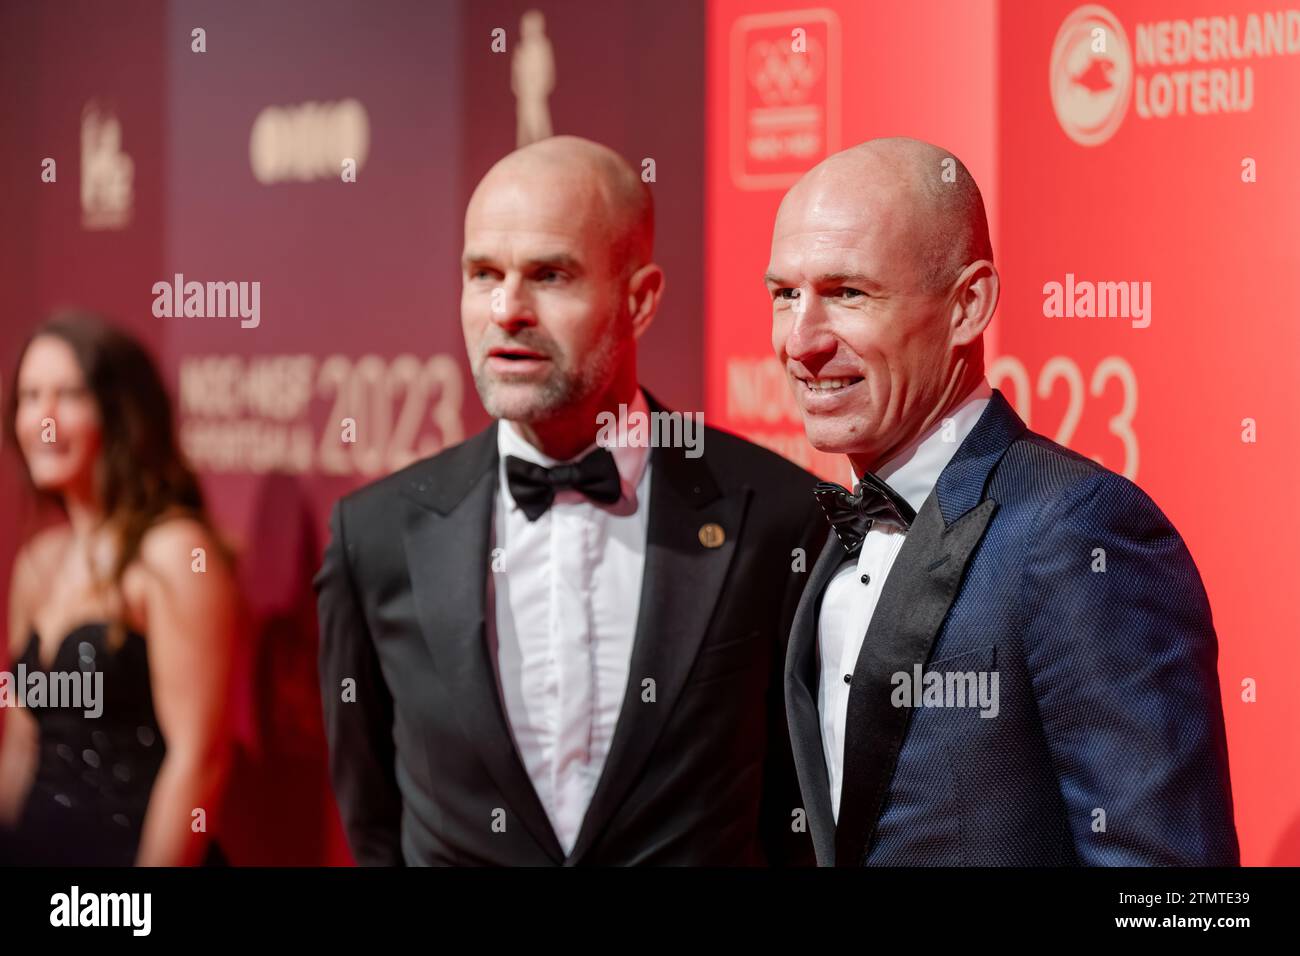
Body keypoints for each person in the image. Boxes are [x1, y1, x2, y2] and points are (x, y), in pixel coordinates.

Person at [315, 135, 823, 865]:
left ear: (640, 300)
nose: (507, 309)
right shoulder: (377, 534)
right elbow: (370, 822)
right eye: (482, 272)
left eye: (549, 276)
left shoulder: (777, 515)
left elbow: (800, 810)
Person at [766, 137, 1238, 866]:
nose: (802, 341)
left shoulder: (1077, 530)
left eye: (848, 294)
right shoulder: (831, 530)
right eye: (785, 294)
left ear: (968, 305)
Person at [0, 312, 238, 866]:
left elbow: (199, 758)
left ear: (120, 414)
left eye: (68, 395)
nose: (44, 420)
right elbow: (20, 741)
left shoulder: (175, 553)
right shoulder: (38, 562)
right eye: (30, 397)